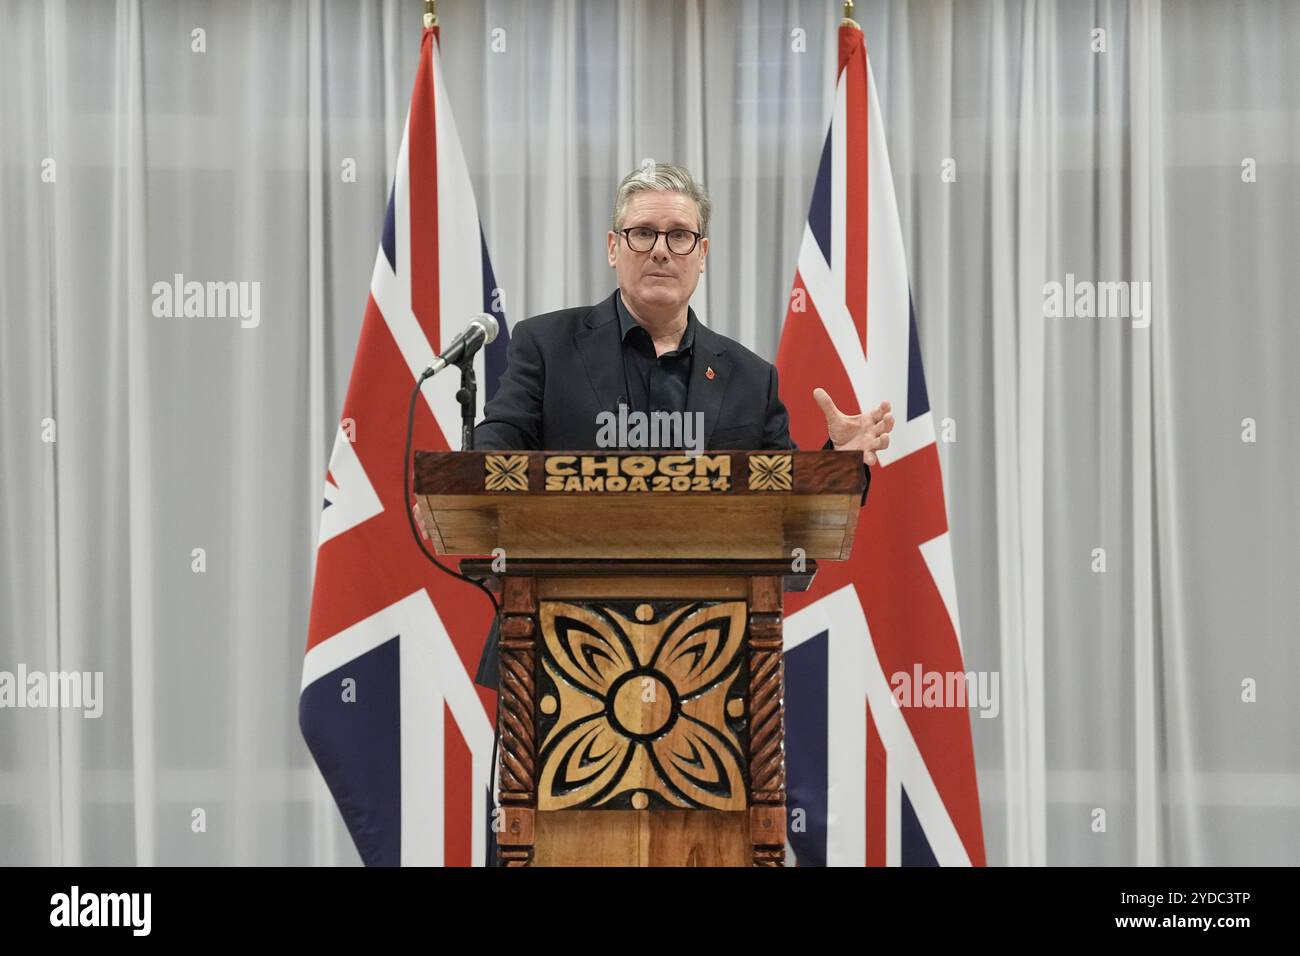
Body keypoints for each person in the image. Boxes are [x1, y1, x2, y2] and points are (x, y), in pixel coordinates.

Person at [470, 162, 894, 688]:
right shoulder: (546, 346)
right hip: (561, 650)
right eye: (643, 233)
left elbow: (785, 508)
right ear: (612, 247)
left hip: (707, 660)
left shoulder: (749, 377)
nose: (661, 249)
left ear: (703, 254)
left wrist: (836, 461)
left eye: (679, 235)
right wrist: (460, 486)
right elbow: (494, 452)